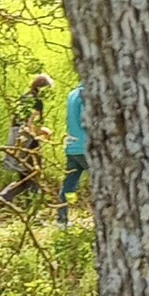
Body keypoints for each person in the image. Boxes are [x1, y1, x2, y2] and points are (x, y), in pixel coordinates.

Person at [0, 71, 54, 211]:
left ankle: (2, 199)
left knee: (25, 179)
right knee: (34, 178)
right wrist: (43, 131)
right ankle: (33, 213)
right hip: (29, 144)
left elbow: (15, 122)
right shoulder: (36, 102)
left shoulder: (24, 98)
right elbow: (30, 125)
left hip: (18, 142)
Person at [57, 81, 88, 225]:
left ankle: (62, 220)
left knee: (68, 186)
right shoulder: (85, 94)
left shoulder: (71, 94)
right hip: (85, 146)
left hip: (72, 146)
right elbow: (85, 120)